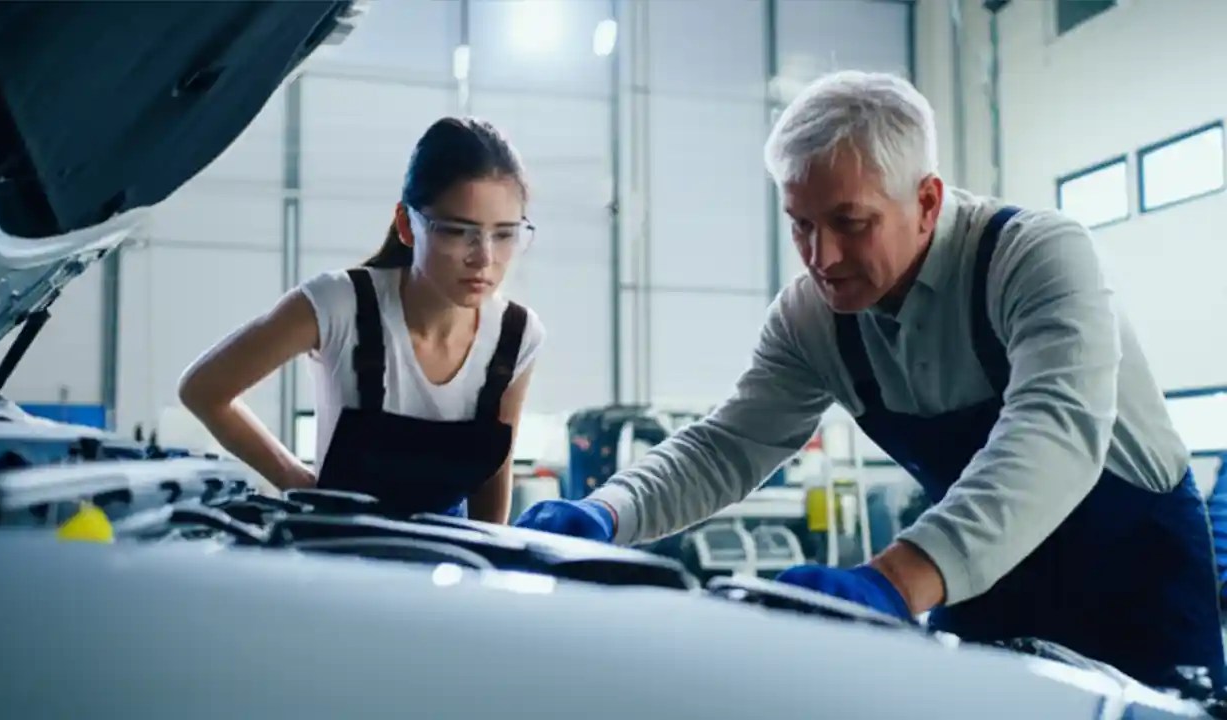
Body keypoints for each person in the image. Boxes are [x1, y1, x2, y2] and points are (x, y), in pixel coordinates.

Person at [515, 70, 1224, 687]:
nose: (821, 255)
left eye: (850, 223)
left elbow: (1054, 433)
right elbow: (727, 445)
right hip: (978, 574)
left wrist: (890, 580)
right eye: (800, 225)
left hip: (1137, 580)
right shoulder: (811, 317)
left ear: (926, 200)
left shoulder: (1037, 257)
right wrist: (605, 512)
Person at [179, 117, 545, 523]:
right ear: (408, 225)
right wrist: (297, 482)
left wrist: (486, 569)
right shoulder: (339, 305)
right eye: (459, 232)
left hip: (449, 561)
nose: (484, 258)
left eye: (505, 234)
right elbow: (203, 390)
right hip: (339, 557)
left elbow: (495, 472)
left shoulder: (516, 336)